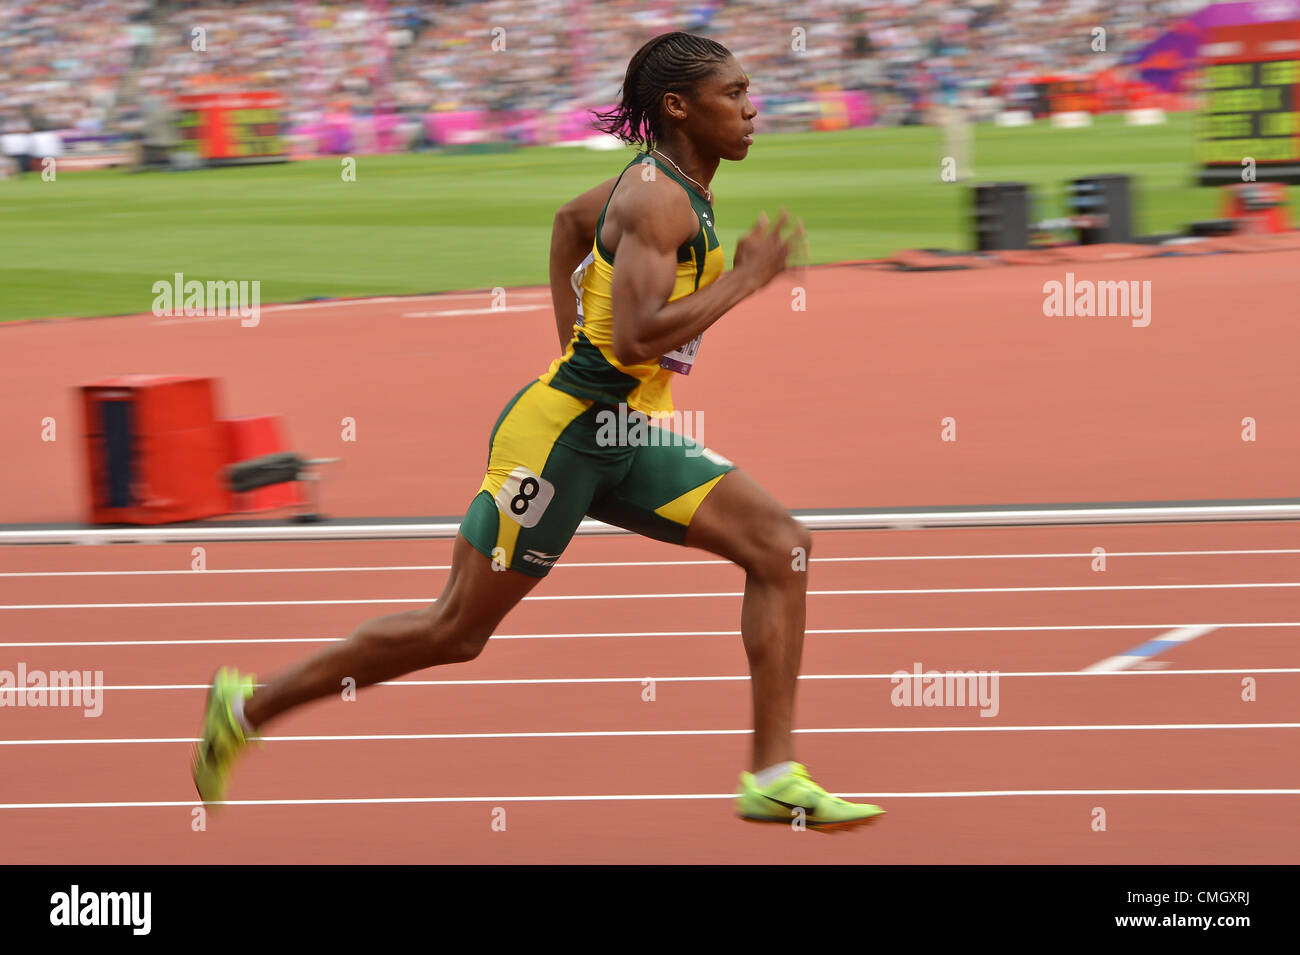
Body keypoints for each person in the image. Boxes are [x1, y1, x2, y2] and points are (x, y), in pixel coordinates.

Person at [193, 31, 884, 831]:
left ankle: (771, 774)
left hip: (623, 434)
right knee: (454, 630)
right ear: (679, 107)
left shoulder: (675, 186)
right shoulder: (658, 199)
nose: (752, 107)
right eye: (734, 93)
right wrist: (742, 282)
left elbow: (566, 223)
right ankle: (245, 708)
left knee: (781, 546)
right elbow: (634, 337)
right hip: (558, 444)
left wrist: (572, 342)